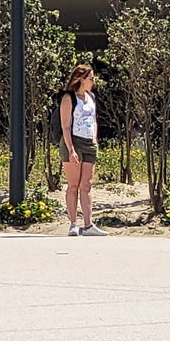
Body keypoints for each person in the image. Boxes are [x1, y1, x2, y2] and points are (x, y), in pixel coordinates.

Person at [59, 63, 107, 237]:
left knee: (86, 185)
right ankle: (73, 223)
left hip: (89, 142)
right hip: (74, 141)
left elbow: (93, 119)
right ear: (81, 79)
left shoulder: (91, 97)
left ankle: (88, 225)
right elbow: (65, 126)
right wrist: (71, 149)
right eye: (91, 78)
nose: (93, 81)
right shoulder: (69, 98)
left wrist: (94, 138)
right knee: (73, 184)